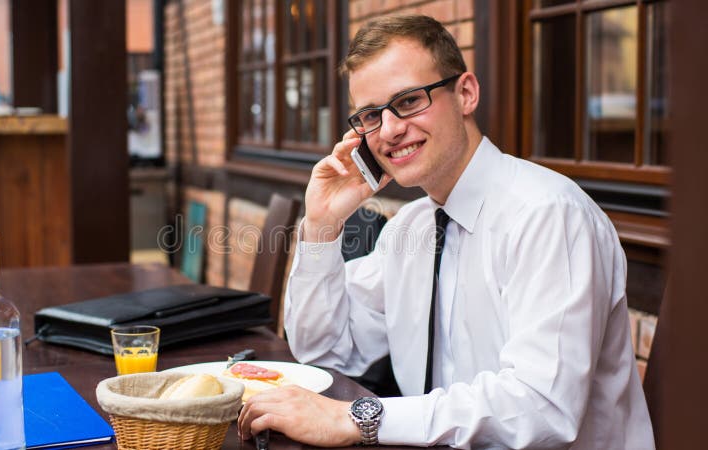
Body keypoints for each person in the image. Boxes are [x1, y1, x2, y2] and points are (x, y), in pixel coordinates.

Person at [238, 14, 654, 449]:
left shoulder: (548, 215)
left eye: (409, 101)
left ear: (466, 94)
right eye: (370, 115)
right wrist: (322, 227)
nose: (390, 130)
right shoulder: (410, 229)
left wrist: (361, 418)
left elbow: (540, 408)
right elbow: (327, 353)